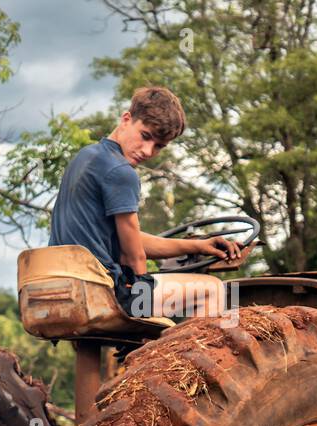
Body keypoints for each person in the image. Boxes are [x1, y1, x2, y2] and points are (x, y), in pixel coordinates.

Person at [50, 85, 247, 318]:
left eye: (159, 146)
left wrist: (197, 245)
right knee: (216, 289)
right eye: (146, 136)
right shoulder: (121, 172)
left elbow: (131, 241)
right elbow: (134, 256)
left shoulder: (86, 157)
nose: (148, 151)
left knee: (91, 342)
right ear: (126, 119)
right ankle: (189, 355)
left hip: (59, 285)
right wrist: (145, 316)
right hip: (100, 293)